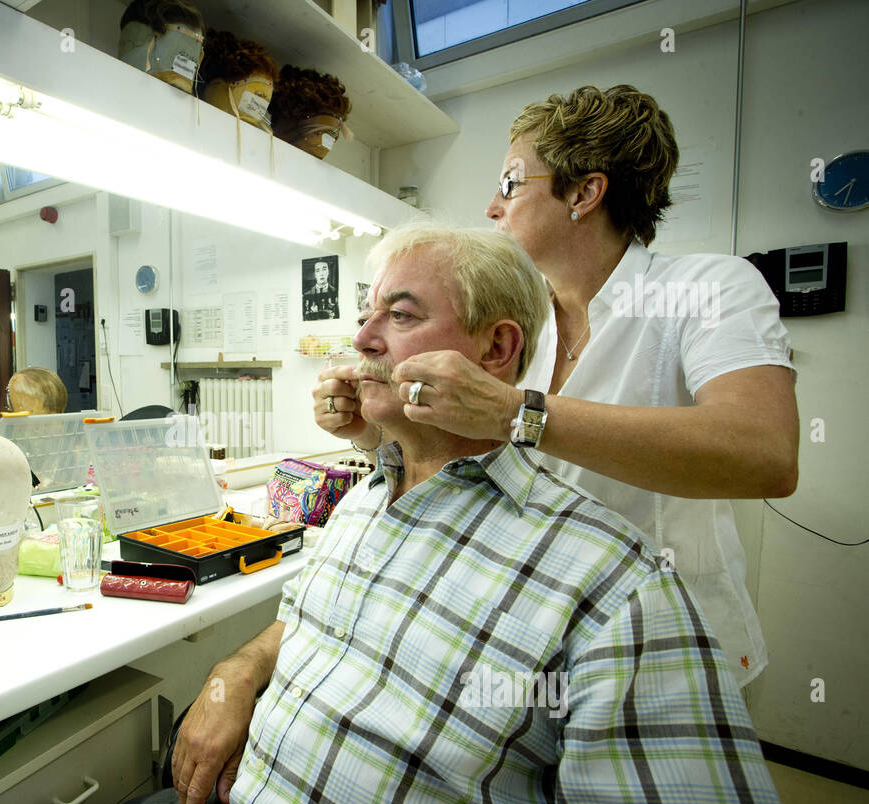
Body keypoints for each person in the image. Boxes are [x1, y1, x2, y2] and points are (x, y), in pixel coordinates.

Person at [17, 226, 803, 804]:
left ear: (495, 354)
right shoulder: (362, 504)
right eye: (366, 312)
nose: (360, 337)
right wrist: (235, 672)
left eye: (399, 315)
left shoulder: (609, 587)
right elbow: (308, 624)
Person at [313, 85, 798, 690]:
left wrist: (518, 413)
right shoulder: (523, 323)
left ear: (584, 193)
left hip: (664, 640)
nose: (492, 206)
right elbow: (471, 454)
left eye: (512, 183)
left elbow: (765, 455)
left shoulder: (707, 288)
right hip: (532, 631)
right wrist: (374, 432)